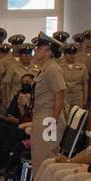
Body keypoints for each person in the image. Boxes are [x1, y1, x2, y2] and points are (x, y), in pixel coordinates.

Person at [28, 34, 66, 168]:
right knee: (39, 157)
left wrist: (53, 122)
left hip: (48, 118)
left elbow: (59, 95)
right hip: (42, 116)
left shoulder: (53, 69)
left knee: (46, 158)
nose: (35, 50)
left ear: (49, 52)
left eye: (39, 48)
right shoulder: (45, 68)